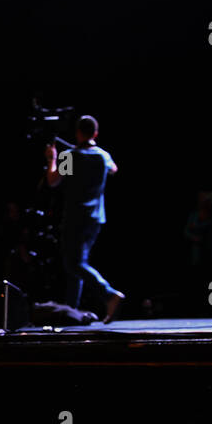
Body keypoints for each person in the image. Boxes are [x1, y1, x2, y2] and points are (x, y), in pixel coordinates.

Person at [44, 115, 125, 322]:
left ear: (77, 132)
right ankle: (72, 310)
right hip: (95, 218)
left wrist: (52, 159)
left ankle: (109, 294)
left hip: (74, 217)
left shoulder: (70, 156)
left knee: (74, 264)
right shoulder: (102, 156)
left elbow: (53, 181)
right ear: (95, 134)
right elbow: (114, 169)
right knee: (78, 262)